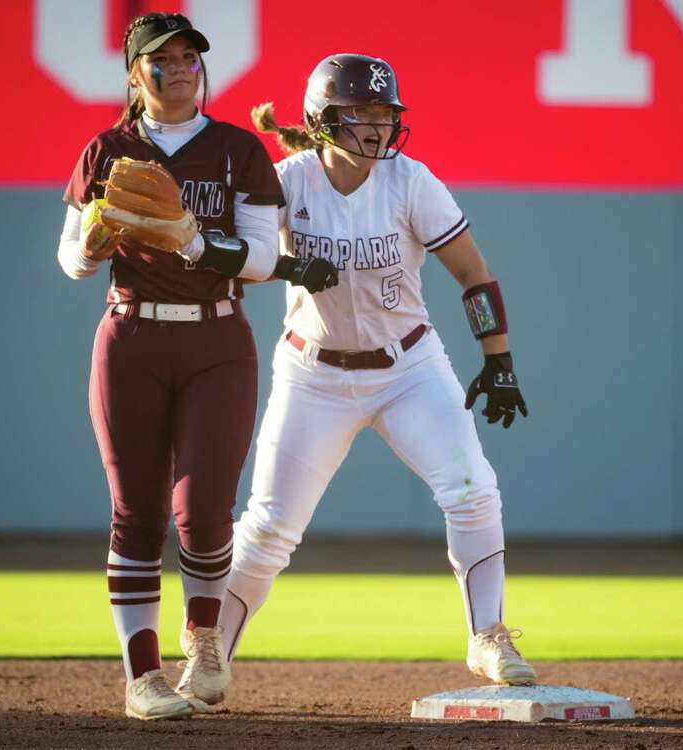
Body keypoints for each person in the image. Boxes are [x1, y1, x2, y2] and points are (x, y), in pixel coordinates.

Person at [209, 52, 537, 699]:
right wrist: (280, 266)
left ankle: (488, 636)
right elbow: (243, 261)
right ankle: (211, 653)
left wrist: (497, 358)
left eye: (385, 113)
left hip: (407, 366)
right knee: (268, 528)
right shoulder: (288, 182)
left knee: (474, 489)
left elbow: (475, 274)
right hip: (312, 372)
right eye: (360, 112)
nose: (377, 127)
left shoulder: (409, 182)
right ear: (323, 119)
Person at [56, 13, 336, 720]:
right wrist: (93, 240)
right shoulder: (107, 148)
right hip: (131, 337)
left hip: (216, 339)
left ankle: (203, 638)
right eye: (163, 59)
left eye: (189, 57)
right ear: (133, 74)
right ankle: (143, 678)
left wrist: (188, 238)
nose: (180, 68)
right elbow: (71, 263)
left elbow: (267, 258)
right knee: (136, 514)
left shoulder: (236, 149)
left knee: (205, 512)